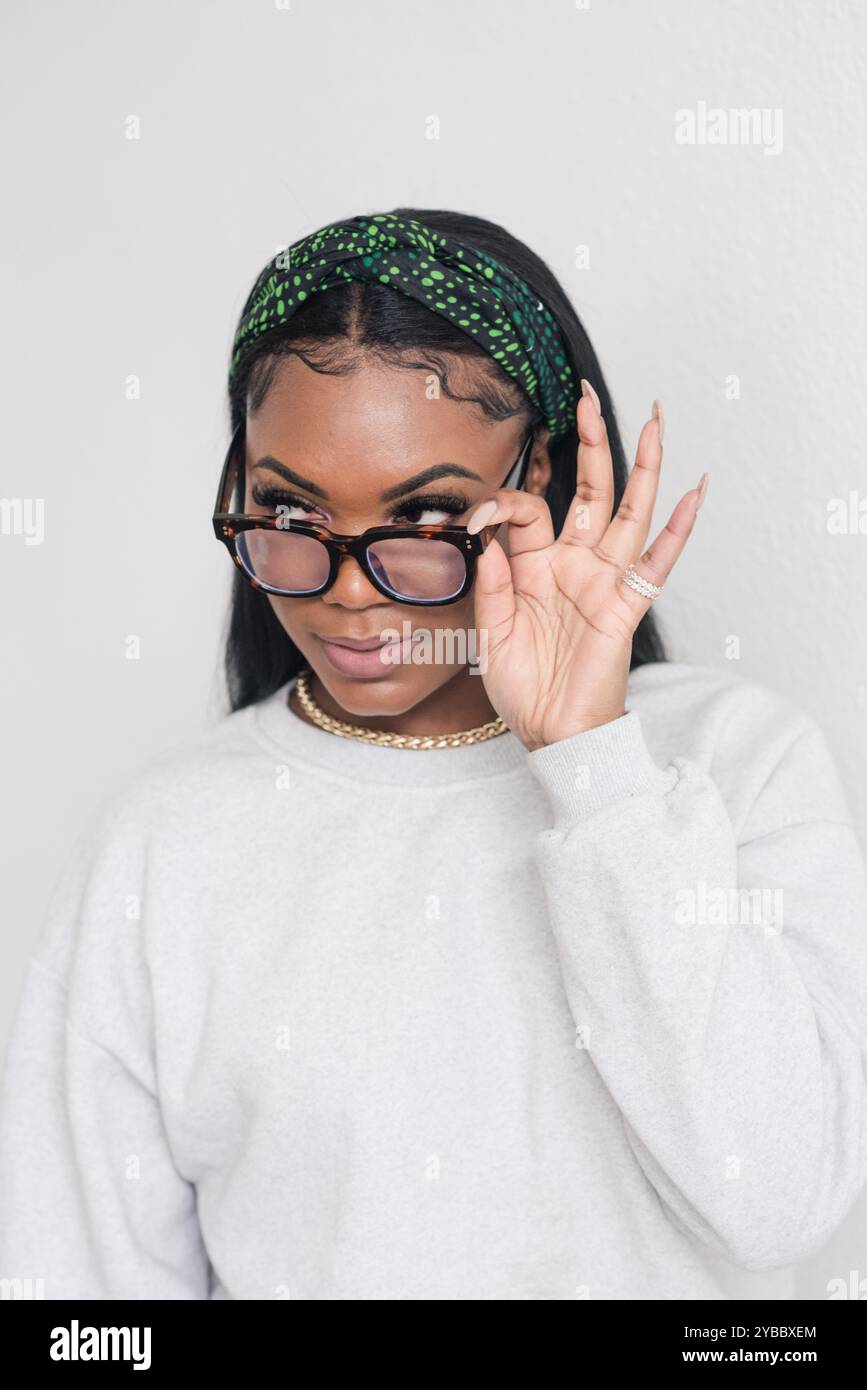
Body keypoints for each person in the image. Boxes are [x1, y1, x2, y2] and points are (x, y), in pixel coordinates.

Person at [2, 208, 867, 1301]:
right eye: (288, 512)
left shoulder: (734, 760)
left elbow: (778, 1202)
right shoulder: (164, 844)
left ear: (541, 468)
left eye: (426, 516)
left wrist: (591, 762)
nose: (353, 593)